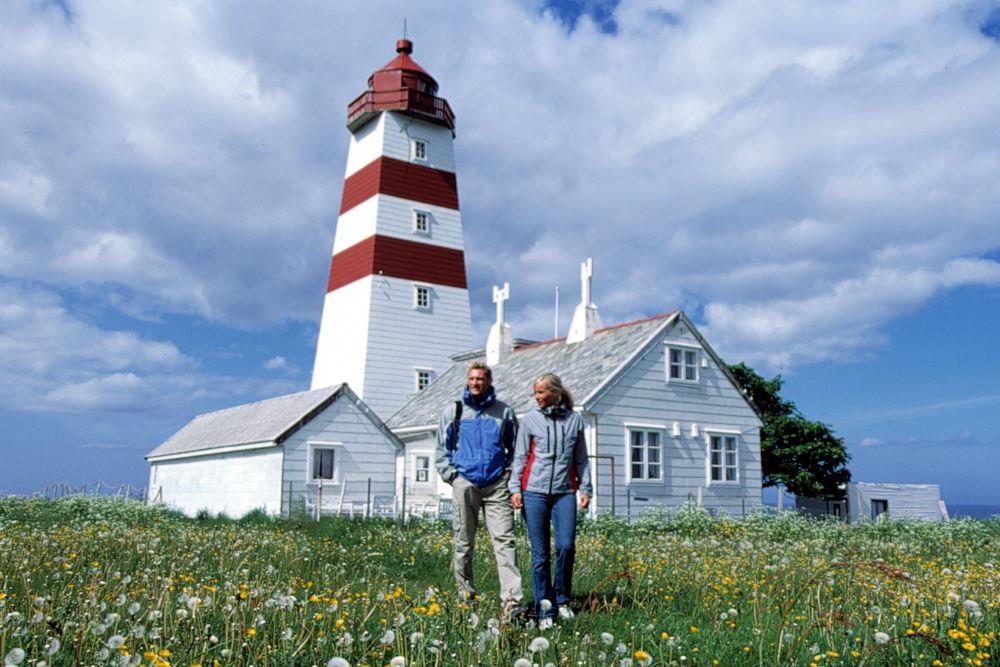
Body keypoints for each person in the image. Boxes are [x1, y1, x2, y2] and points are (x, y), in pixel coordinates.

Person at [436, 361, 524, 613]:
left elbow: (515, 449)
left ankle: (512, 603)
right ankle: (466, 598)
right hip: (466, 484)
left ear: (488, 382)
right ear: (467, 380)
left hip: (497, 486)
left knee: (505, 542)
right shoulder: (454, 411)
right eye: (472, 378)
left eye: (481, 379)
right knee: (463, 542)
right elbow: (442, 450)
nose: (476, 383)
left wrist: (508, 474)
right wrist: (454, 477)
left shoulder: (504, 412)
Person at [510, 373, 592, 629]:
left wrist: (585, 487)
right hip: (533, 492)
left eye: (541, 393)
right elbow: (520, 457)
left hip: (564, 493)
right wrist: (515, 488)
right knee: (540, 554)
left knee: (566, 546)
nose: (537, 397)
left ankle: (563, 600)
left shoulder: (575, 420)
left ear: (555, 393)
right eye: (535, 393)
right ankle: (544, 608)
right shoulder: (530, 420)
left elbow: (581, 458)